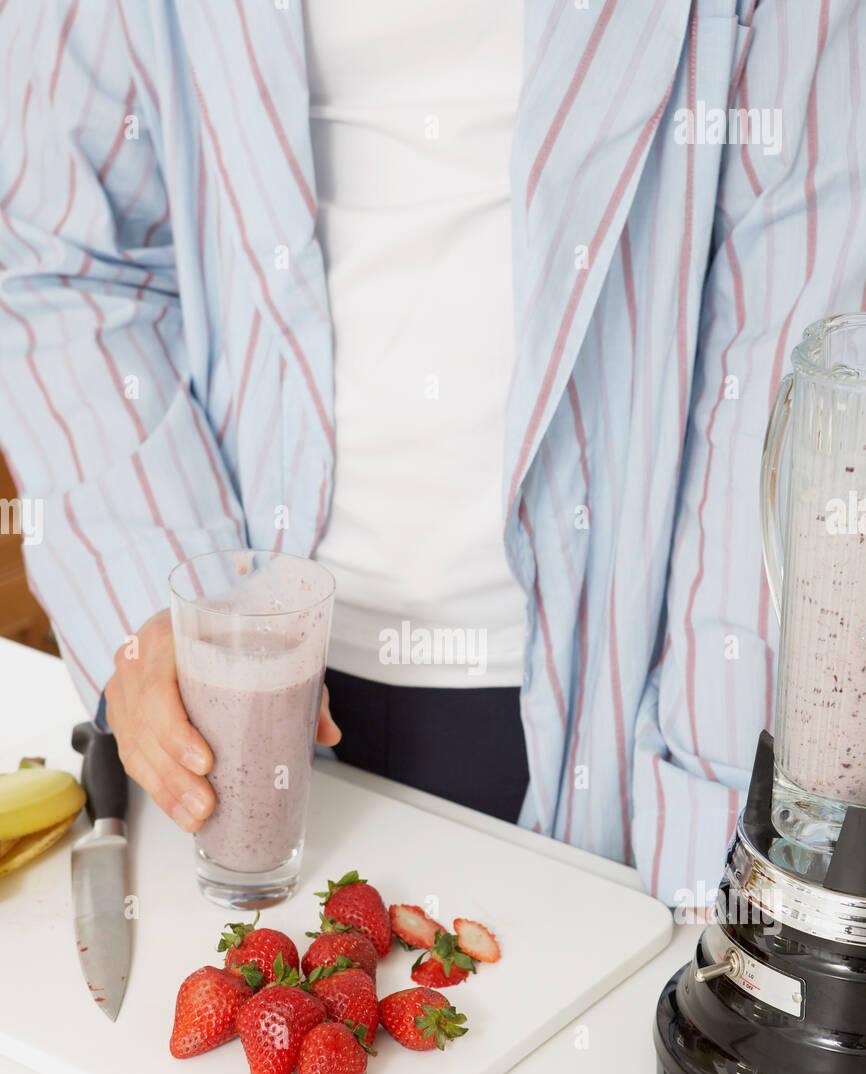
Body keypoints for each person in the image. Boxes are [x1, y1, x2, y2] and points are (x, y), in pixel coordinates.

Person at [0, 0, 863, 907]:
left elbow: (795, 369)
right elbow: (59, 261)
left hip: (621, 728)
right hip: (239, 697)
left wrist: (721, 849)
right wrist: (159, 605)